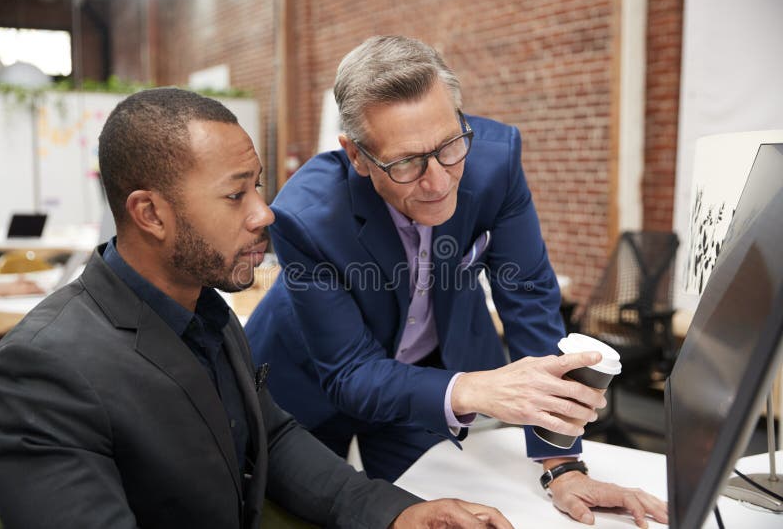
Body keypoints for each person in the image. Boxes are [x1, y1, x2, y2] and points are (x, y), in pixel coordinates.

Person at [0, 88, 513, 529]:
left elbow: (270, 439)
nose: (265, 213)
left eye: (257, 185)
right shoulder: (42, 372)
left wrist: (396, 513)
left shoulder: (207, 314)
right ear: (150, 213)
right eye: (236, 195)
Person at [246, 36, 668, 527]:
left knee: (443, 511)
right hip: (308, 387)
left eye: (449, 146)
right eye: (406, 162)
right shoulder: (306, 216)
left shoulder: (494, 164)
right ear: (356, 156)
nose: (439, 182)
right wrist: (469, 389)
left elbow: (528, 301)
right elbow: (349, 373)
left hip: (421, 384)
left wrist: (563, 466)